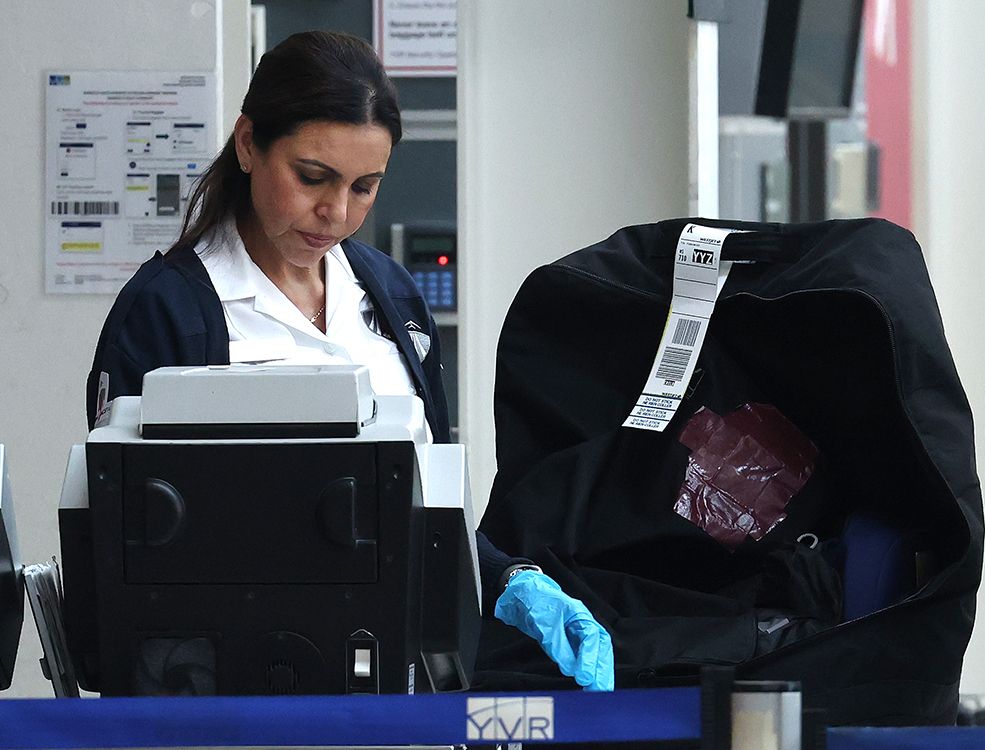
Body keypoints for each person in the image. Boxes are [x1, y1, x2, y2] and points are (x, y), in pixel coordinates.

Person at [85, 30, 613, 692]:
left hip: (391, 688)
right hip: (225, 698)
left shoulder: (393, 297)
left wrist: (507, 576)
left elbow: (422, 503)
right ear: (249, 144)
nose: (335, 213)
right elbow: (131, 550)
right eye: (312, 178)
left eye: (365, 187)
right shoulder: (168, 311)